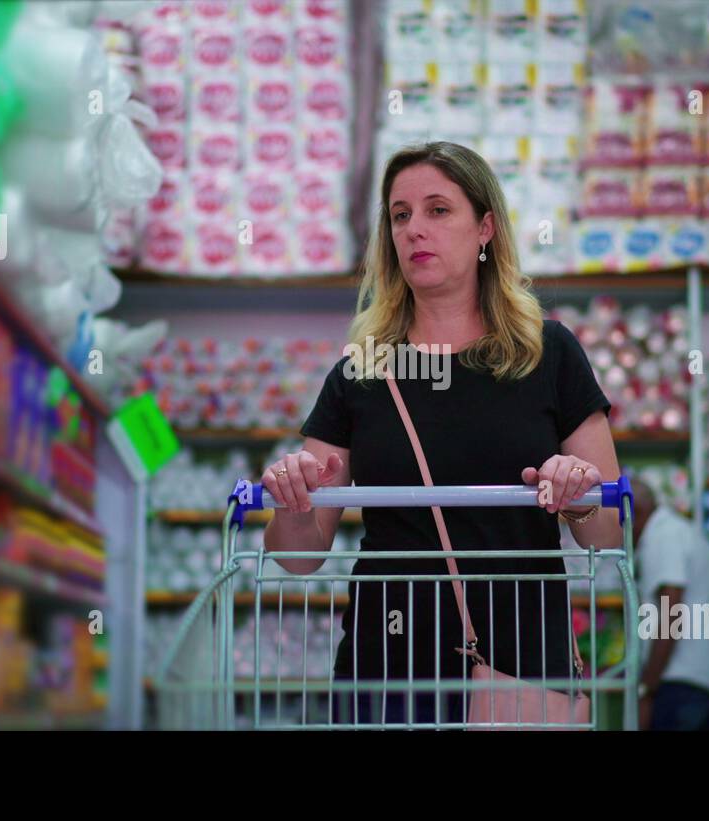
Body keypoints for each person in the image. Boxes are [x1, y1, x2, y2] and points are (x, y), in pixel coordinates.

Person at [260, 141, 623, 727]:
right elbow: (299, 558)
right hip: (390, 663)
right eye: (400, 216)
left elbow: (606, 530)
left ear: (485, 228)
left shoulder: (548, 353)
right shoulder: (364, 371)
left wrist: (577, 493)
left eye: (437, 210)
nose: (413, 231)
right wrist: (294, 493)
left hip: (523, 658)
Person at [630, 478, 709, 730]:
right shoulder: (679, 531)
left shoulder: (663, 537)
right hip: (703, 683)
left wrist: (646, 689)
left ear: (636, 514)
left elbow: (671, 612)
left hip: (684, 683)